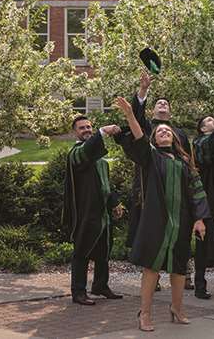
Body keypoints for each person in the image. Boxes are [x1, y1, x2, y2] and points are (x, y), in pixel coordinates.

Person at [113, 97, 209, 332]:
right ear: (155, 138)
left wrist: (199, 219)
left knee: (178, 267)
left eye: (168, 131)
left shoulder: (185, 163)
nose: (164, 132)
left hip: (181, 222)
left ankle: (177, 308)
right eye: (160, 131)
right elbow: (139, 138)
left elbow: (197, 191)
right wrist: (130, 116)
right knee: (152, 268)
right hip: (157, 221)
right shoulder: (152, 158)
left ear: (175, 138)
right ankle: (144, 314)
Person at [129, 71, 194, 291]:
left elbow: (189, 161)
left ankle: (182, 273)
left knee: (179, 231)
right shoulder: (148, 128)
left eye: (166, 103)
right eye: (159, 103)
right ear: (153, 109)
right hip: (151, 189)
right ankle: (153, 275)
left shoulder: (180, 134)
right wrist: (143, 91)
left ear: (170, 111)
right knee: (154, 231)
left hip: (178, 193)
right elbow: (135, 123)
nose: (163, 104)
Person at [63, 116, 125, 306]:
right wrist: (103, 132)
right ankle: (78, 292)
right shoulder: (75, 154)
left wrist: (115, 203)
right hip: (85, 212)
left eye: (89, 127)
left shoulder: (102, 162)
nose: (87, 130)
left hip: (102, 214)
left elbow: (107, 186)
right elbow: (87, 151)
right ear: (75, 132)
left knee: (103, 252)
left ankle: (100, 286)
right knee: (81, 252)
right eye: (82, 128)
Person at [191, 112, 214, 300]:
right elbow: (207, 156)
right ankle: (199, 284)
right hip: (208, 200)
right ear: (203, 129)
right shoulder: (201, 143)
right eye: (209, 121)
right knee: (203, 244)